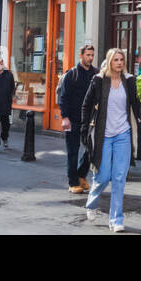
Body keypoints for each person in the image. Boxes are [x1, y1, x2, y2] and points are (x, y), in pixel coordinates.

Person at [80, 47, 141, 232]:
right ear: (109, 61)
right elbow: (86, 104)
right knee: (103, 175)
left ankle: (116, 220)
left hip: (123, 134)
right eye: (116, 60)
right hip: (104, 135)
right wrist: (84, 128)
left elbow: (135, 104)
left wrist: (136, 121)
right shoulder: (99, 80)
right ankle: (92, 203)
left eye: (121, 59)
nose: (119, 63)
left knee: (119, 178)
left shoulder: (129, 81)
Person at [57, 45, 97, 193]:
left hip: (89, 120)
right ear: (81, 56)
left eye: (92, 55)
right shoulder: (71, 74)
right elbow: (63, 98)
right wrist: (65, 117)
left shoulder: (95, 73)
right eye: (88, 55)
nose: (90, 58)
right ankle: (73, 182)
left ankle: (81, 175)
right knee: (73, 151)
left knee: (92, 149)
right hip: (72, 119)